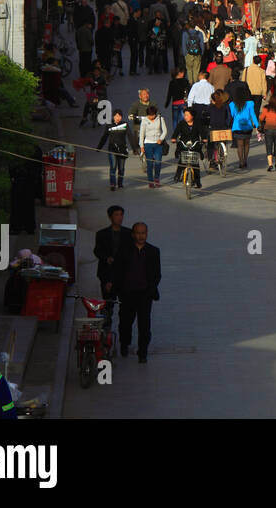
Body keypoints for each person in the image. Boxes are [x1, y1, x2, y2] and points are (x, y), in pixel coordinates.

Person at [109, 222, 160, 363]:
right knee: (125, 323)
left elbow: (157, 274)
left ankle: (143, 353)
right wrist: (115, 286)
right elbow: (117, 270)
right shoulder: (124, 251)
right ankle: (124, 344)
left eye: (143, 233)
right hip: (127, 294)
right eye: (138, 233)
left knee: (144, 325)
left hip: (144, 295)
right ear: (133, 234)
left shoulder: (153, 251)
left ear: (147, 234)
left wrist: (150, 290)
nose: (141, 236)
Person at [93, 205, 128, 297]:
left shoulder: (129, 233)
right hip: (106, 272)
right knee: (108, 303)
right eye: (116, 215)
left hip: (124, 274)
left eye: (121, 215)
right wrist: (106, 258)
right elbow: (97, 251)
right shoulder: (101, 234)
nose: (120, 217)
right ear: (110, 217)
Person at [97, 109, 136, 190]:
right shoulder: (109, 125)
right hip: (112, 149)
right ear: (113, 116)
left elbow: (130, 137)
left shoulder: (125, 124)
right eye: (116, 116)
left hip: (122, 150)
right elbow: (104, 137)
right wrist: (99, 147)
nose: (118, 118)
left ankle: (120, 183)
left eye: (119, 116)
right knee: (113, 167)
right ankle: (112, 184)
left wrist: (134, 149)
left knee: (121, 168)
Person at [171, 108, 204, 189]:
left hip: (194, 145)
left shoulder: (197, 123)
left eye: (187, 115)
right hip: (184, 144)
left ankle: (198, 182)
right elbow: (176, 132)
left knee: (195, 164)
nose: (185, 117)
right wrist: (174, 138)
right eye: (184, 115)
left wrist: (204, 138)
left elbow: (202, 132)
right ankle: (177, 175)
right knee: (182, 160)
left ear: (192, 116)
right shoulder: (181, 123)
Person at [138, 105, 168, 188]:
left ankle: (157, 179)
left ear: (155, 114)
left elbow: (165, 131)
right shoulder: (144, 121)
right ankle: (150, 181)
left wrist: (161, 139)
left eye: (153, 115)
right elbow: (141, 134)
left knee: (158, 162)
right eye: (149, 115)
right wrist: (141, 146)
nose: (151, 117)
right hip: (148, 144)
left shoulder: (160, 119)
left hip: (158, 144)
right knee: (150, 164)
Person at [229, 92, 257, 170]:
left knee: (240, 145)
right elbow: (253, 115)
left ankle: (241, 162)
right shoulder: (250, 103)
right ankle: (245, 160)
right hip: (248, 127)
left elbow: (232, 115)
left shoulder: (232, 104)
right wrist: (257, 125)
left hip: (237, 127)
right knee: (247, 144)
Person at [206, 90, 232, 171]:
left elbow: (205, 117)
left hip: (213, 128)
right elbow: (229, 117)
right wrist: (227, 125)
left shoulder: (210, 107)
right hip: (223, 128)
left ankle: (211, 160)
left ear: (213, 100)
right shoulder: (225, 106)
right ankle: (221, 158)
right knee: (222, 142)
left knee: (210, 144)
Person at [259, 94, 276, 172]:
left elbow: (261, 118)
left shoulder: (266, 108)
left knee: (269, 146)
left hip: (268, 129)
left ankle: (270, 165)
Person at [164, 66, 189, 135]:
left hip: (175, 103)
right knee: (182, 119)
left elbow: (169, 94)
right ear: (179, 73)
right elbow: (188, 92)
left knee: (175, 120)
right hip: (183, 103)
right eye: (182, 72)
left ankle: (175, 133)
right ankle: (181, 133)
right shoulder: (185, 81)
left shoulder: (172, 82)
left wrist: (167, 103)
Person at [244, 53, 268, 120]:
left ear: (253, 61)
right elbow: (264, 83)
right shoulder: (262, 71)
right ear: (259, 62)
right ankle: (255, 121)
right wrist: (264, 93)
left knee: (248, 108)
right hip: (258, 92)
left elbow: (243, 81)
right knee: (256, 109)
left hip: (248, 91)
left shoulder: (246, 70)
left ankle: (248, 121)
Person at [182, 19, 205, 84]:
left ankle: (190, 83)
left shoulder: (185, 33)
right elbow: (202, 45)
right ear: (195, 26)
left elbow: (184, 44)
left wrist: (185, 54)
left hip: (188, 54)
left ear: (188, 25)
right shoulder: (199, 33)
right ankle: (195, 83)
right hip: (197, 54)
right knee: (196, 70)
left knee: (189, 70)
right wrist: (201, 53)